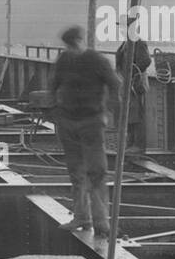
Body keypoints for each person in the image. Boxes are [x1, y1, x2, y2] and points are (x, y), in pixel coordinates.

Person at [49, 24, 123, 236]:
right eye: (69, 45)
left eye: (74, 43)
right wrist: (56, 110)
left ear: (81, 41)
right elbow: (53, 85)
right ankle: (82, 218)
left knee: (96, 172)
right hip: (68, 122)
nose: (71, 48)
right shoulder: (64, 60)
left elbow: (115, 85)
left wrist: (107, 112)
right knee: (76, 172)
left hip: (91, 122)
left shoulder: (97, 60)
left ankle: (102, 222)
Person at [115, 28, 152, 153]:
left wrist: (133, 72)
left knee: (138, 115)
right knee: (129, 113)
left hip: (136, 83)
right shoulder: (126, 42)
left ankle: (138, 145)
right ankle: (130, 143)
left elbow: (146, 60)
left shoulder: (139, 41)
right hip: (127, 83)